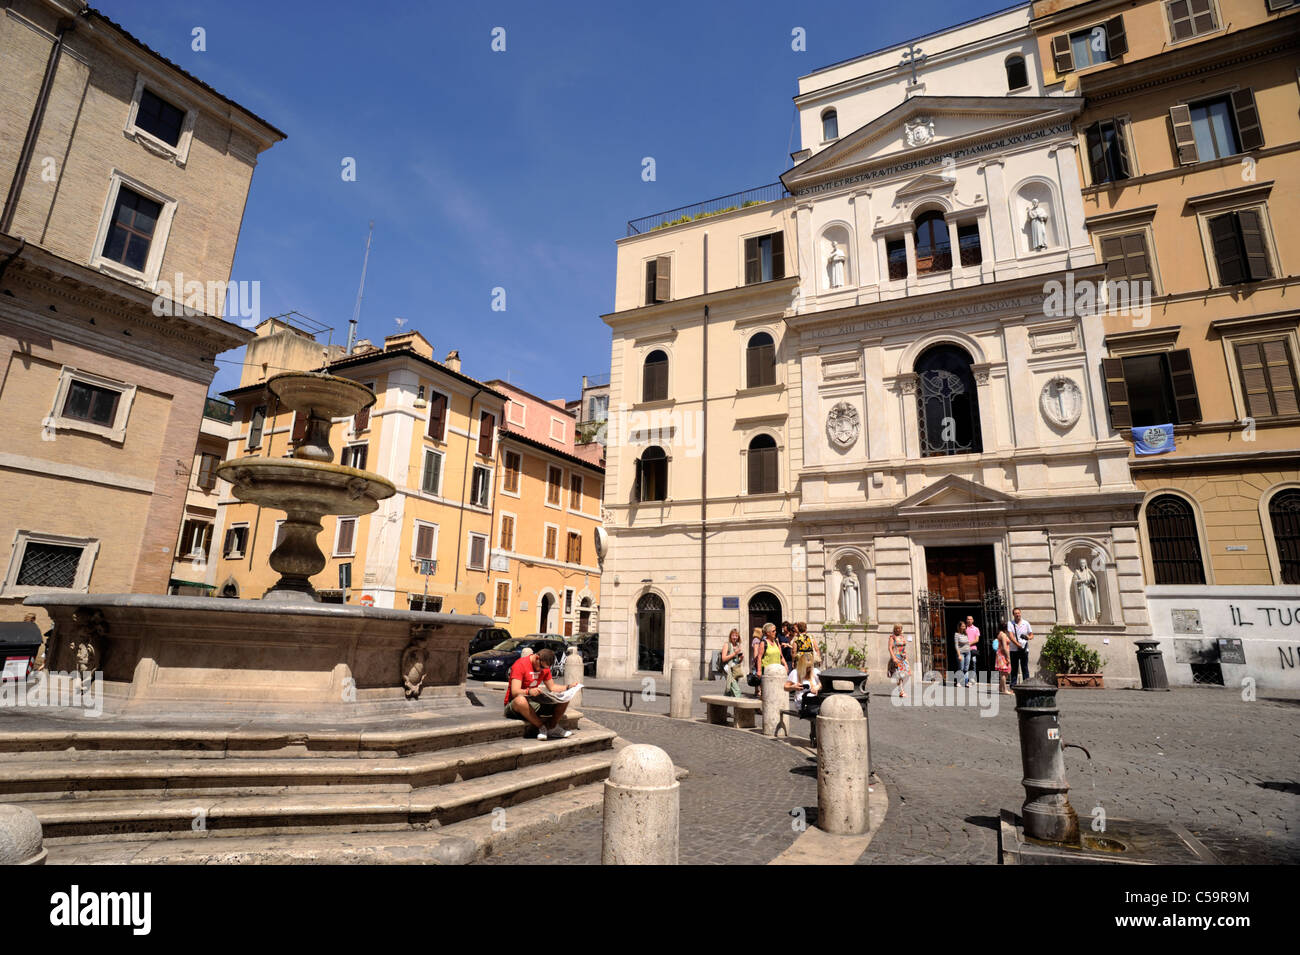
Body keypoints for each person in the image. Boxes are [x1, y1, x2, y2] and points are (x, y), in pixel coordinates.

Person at [503, 648, 573, 740]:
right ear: (536, 657)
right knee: (521, 700)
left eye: (545, 668)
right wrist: (528, 691)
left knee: (566, 697)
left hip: (534, 702)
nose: (542, 669)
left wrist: (568, 687)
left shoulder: (544, 667)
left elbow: (552, 687)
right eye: (541, 667)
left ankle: (552, 727)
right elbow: (515, 692)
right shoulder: (520, 665)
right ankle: (542, 727)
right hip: (515, 705)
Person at [1007, 608, 1033, 686]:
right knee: (1014, 668)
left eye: (1018, 613)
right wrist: (1018, 645)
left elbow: (1032, 635)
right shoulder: (1010, 623)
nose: (1017, 615)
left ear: (1020, 613)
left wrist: (1028, 637)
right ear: (1013, 614)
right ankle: (1013, 685)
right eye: (1016, 613)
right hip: (1014, 649)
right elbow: (1011, 636)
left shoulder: (1026, 623)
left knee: (1025, 667)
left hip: (1024, 649)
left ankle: (1027, 685)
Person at [721, 628, 745, 698]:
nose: (735, 637)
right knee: (736, 690)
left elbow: (736, 661)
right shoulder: (727, 645)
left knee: (729, 690)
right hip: (728, 670)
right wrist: (735, 653)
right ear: (730, 636)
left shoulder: (737, 646)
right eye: (733, 635)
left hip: (735, 670)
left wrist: (741, 659)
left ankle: (722, 706)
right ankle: (739, 706)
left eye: (736, 636)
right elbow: (723, 658)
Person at [887, 624, 909, 697]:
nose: (898, 630)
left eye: (899, 628)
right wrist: (894, 658)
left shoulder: (902, 637)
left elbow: (903, 647)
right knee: (899, 674)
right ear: (894, 629)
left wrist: (905, 657)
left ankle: (900, 688)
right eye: (896, 628)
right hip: (896, 657)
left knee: (903, 675)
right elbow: (890, 648)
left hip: (903, 658)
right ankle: (901, 691)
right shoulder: (892, 637)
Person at [954, 620, 973, 688]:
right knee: (961, 668)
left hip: (968, 652)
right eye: (962, 626)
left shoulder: (965, 634)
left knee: (966, 668)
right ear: (959, 627)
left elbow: (968, 642)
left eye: (965, 626)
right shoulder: (957, 634)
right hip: (961, 653)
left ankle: (966, 682)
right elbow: (956, 645)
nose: (964, 627)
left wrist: (969, 648)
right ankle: (958, 682)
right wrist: (959, 655)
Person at [994, 628, 1012, 695]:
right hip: (1003, 654)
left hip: (1001, 654)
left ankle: (1000, 688)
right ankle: (1004, 689)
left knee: (1005, 672)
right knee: (1004, 672)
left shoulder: (1000, 634)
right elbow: (1004, 647)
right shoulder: (1003, 635)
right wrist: (1008, 657)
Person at [964, 615, 981, 684]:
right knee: (966, 664)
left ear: (973, 620)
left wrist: (969, 644)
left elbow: (977, 639)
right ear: (966, 620)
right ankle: (966, 679)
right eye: (968, 619)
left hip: (973, 649)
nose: (969, 620)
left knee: (973, 663)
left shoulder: (976, 629)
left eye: (970, 619)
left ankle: (972, 678)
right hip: (965, 649)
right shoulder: (964, 628)